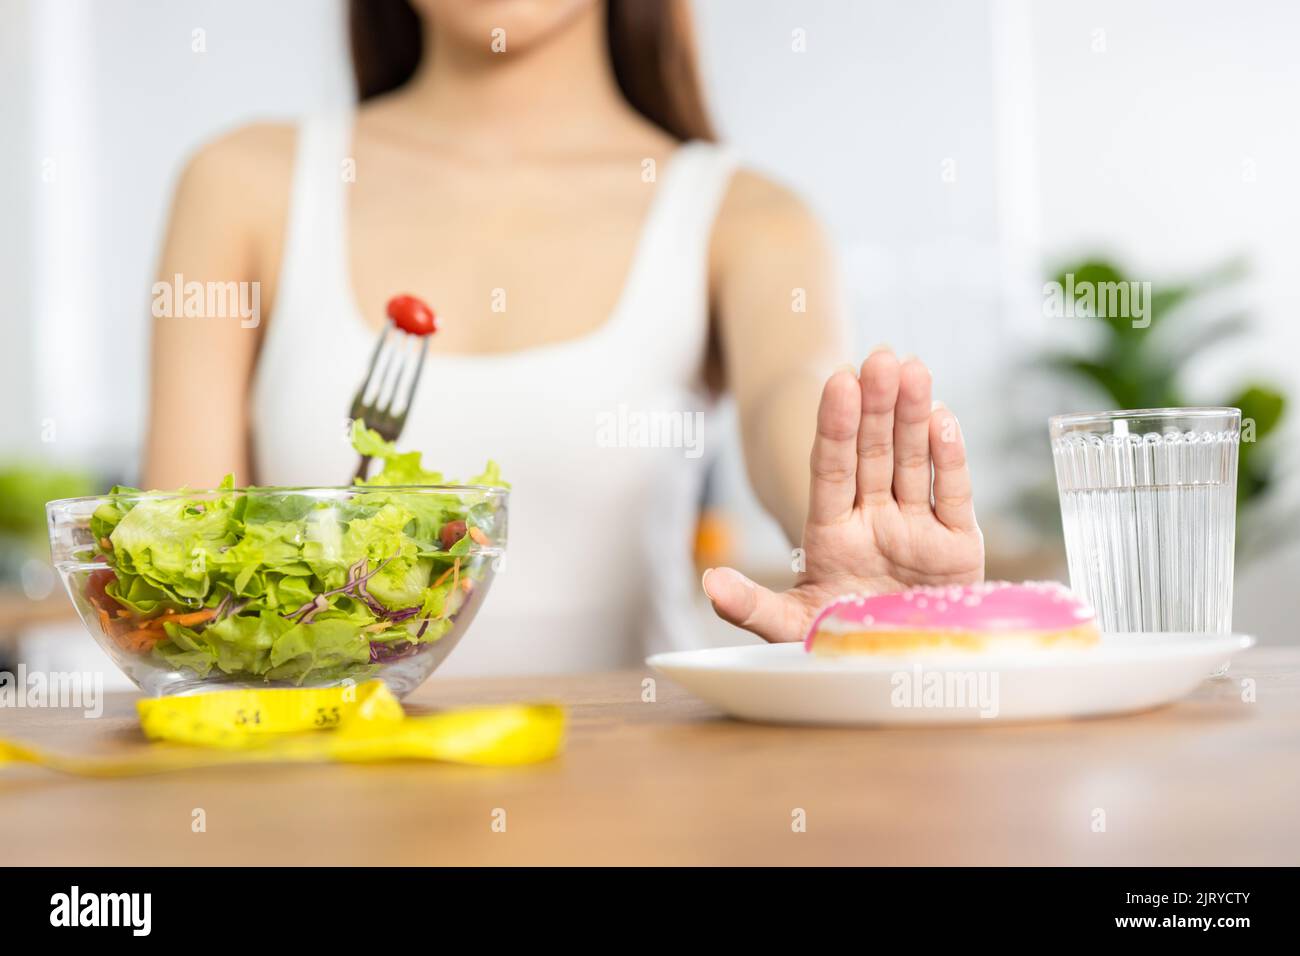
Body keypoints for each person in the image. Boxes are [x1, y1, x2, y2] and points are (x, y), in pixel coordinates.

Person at [143, 0, 983, 674]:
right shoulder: (242, 185)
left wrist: (850, 518)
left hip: (638, 812)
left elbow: (788, 393)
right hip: (311, 806)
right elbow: (171, 580)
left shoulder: (749, 216)